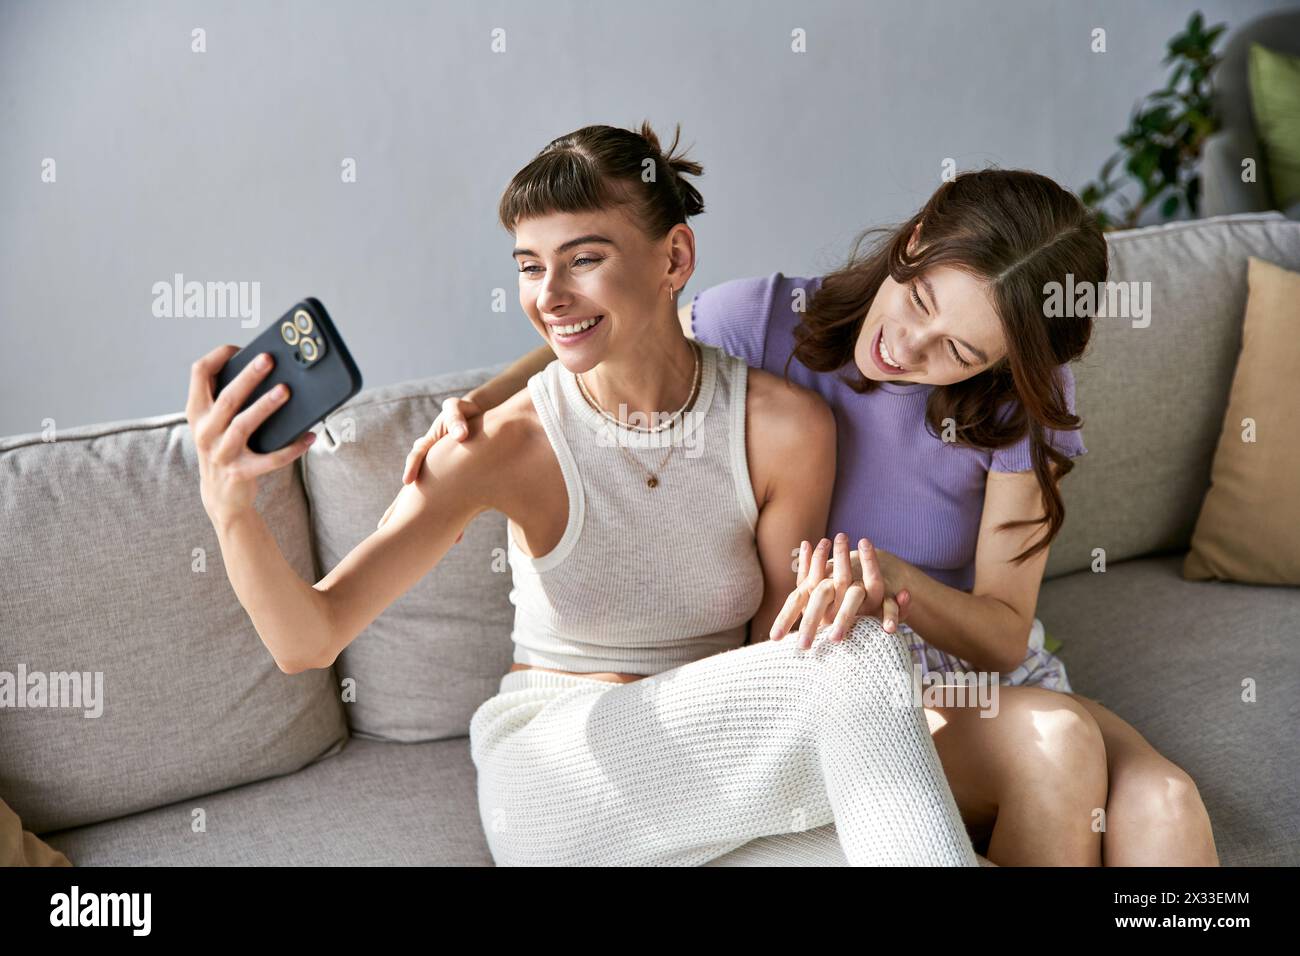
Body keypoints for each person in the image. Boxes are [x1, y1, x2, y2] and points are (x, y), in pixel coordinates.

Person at [186, 120, 980, 867]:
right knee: (864, 657)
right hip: (557, 778)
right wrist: (229, 504)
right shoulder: (499, 446)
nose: (549, 296)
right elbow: (309, 638)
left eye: (583, 259)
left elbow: (776, 654)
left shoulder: (786, 428)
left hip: (714, 772)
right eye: (530, 266)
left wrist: (844, 602)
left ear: (674, 259)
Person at [390, 161, 1219, 866]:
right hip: (863, 686)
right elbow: (614, 319)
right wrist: (483, 400)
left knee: (1167, 808)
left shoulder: (1021, 404)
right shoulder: (760, 321)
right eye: (922, 301)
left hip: (989, 669)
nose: (910, 347)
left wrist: (893, 578)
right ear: (915, 236)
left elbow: (1004, 634)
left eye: (960, 352)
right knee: (1058, 749)